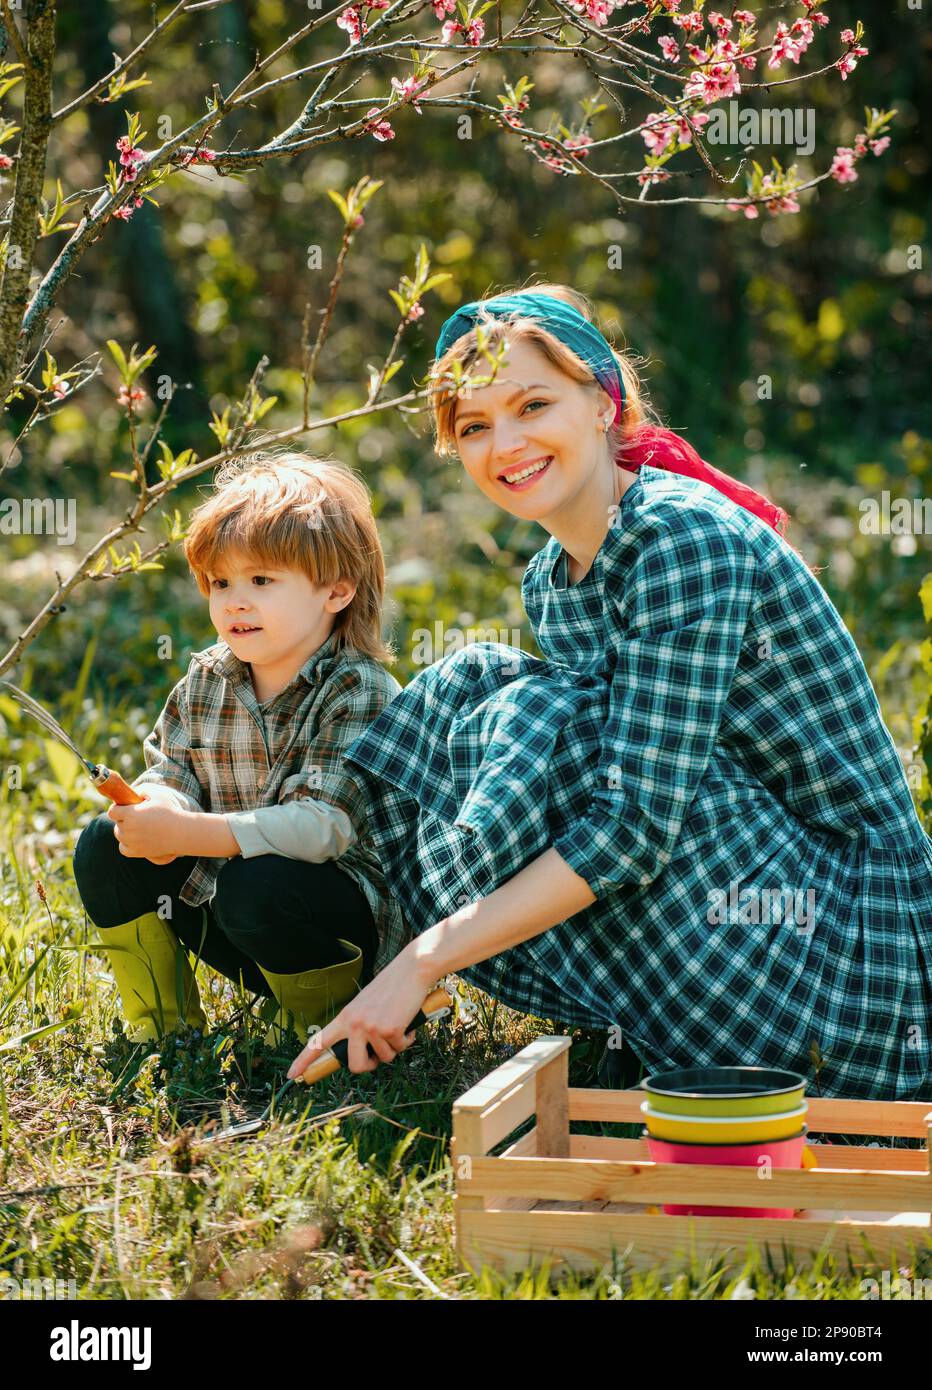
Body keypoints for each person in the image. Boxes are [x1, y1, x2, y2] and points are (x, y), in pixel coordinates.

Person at [286, 284, 932, 1101]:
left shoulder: (680, 538)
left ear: (602, 400)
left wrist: (432, 955)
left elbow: (632, 825)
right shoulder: (552, 579)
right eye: (476, 426)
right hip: (746, 904)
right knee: (474, 695)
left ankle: (428, 965)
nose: (507, 443)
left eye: (533, 404)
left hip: (854, 945)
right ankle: (351, 929)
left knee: (543, 724)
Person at [72, 452, 403, 1047]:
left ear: (336, 590)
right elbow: (172, 770)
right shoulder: (208, 680)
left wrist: (190, 835)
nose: (234, 602)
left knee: (262, 882)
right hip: (238, 918)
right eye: (220, 583)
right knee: (106, 844)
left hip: (334, 930)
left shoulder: (360, 690)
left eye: (261, 581)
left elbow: (320, 830)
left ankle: (325, 1022)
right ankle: (163, 1028)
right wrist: (160, 806)